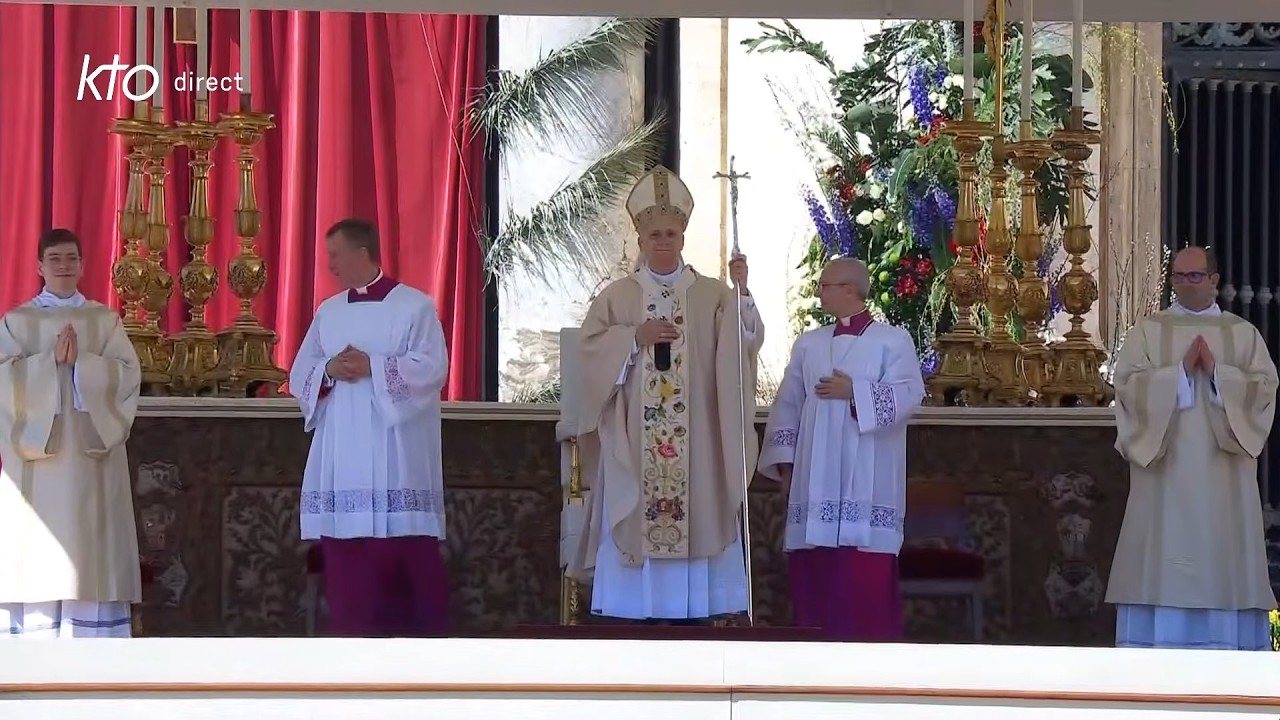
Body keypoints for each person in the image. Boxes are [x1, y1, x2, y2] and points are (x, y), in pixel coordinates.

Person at [567, 165, 764, 623]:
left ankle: (696, 610)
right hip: (636, 441)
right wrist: (633, 336)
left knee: (698, 509)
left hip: (697, 441)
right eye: (655, 233)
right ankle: (635, 609)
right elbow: (589, 354)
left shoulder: (713, 294)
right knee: (638, 510)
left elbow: (745, 344)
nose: (663, 241)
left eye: (671, 232)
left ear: (682, 235)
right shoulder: (618, 297)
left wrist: (743, 293)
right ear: (640, 237)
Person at [1107, 246, 1278, 650]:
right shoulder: (1148, 331)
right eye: (1178, 277)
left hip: (1225, 477)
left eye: (1194, 276)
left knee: (1222, 557)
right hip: (1164, 476)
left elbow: (1266, 389)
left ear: (1215, 281)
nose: (1184, 284)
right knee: (1163, 554)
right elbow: (1126, 386)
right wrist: (1177, 375)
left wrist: (1220, 375)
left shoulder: (1242, 334)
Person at [289, 218, 451, 637]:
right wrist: (328, 368)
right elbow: (300, 371)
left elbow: (433, 368)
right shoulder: (329, 311)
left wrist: (374, 367)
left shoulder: (414, 307)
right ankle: (349, 650)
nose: (331, 265)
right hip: (343, 452)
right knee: (348, 559)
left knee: (403, 553)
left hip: (396, 451)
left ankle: (419, 653)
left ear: (362, 253)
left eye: (336, 255)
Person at [758, 257, 924, 641]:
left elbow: (909, 394)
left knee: (861, 577)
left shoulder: (892, 341)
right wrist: (785, 466)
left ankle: (870, 655)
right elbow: (788, 403)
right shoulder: (809, 343)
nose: (819, 292)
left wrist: (856, 393)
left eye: (825, 285)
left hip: (868, 471)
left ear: (850, 289)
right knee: (815, 568)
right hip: (814, 473)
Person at [0, 228, 142, 638]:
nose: (64, 266)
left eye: (72, 259)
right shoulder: (18, 322)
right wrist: (48, 363)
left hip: (90, 454)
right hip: (36, 465)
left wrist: (84, 367)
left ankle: (92, 640)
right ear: (39, 266)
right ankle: (34, 638)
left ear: (82, 265)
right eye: (56, 259)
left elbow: (129, 375)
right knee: (37, 552)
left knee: (89, 552)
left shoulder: (104, 321)